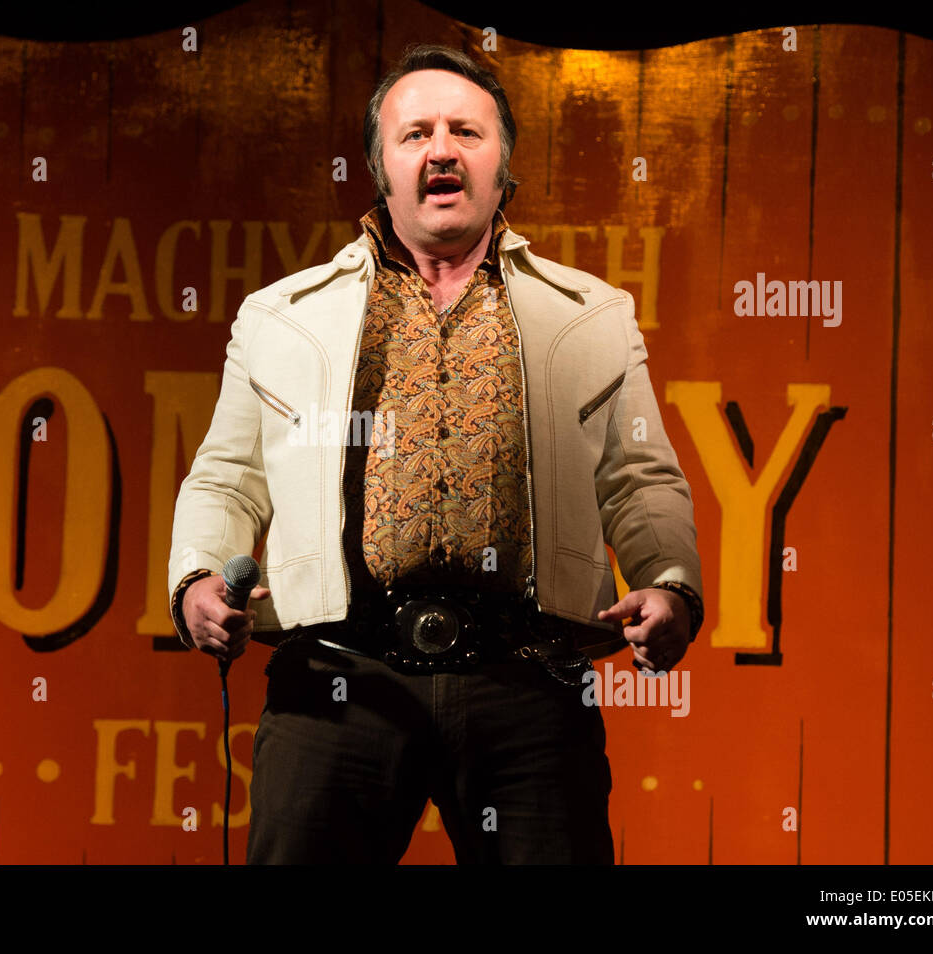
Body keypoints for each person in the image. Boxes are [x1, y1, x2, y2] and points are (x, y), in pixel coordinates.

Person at [167, 43, 704, 864]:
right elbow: (227, 476)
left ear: (502, 168)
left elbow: (639, 476)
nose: (443, 149)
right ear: (380, 167)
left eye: (466, 132)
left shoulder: (590, 315)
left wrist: (669, 585)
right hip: (339, 680)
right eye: (416, 133)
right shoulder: (282, 318)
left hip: (528, 682)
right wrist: (199, 575)